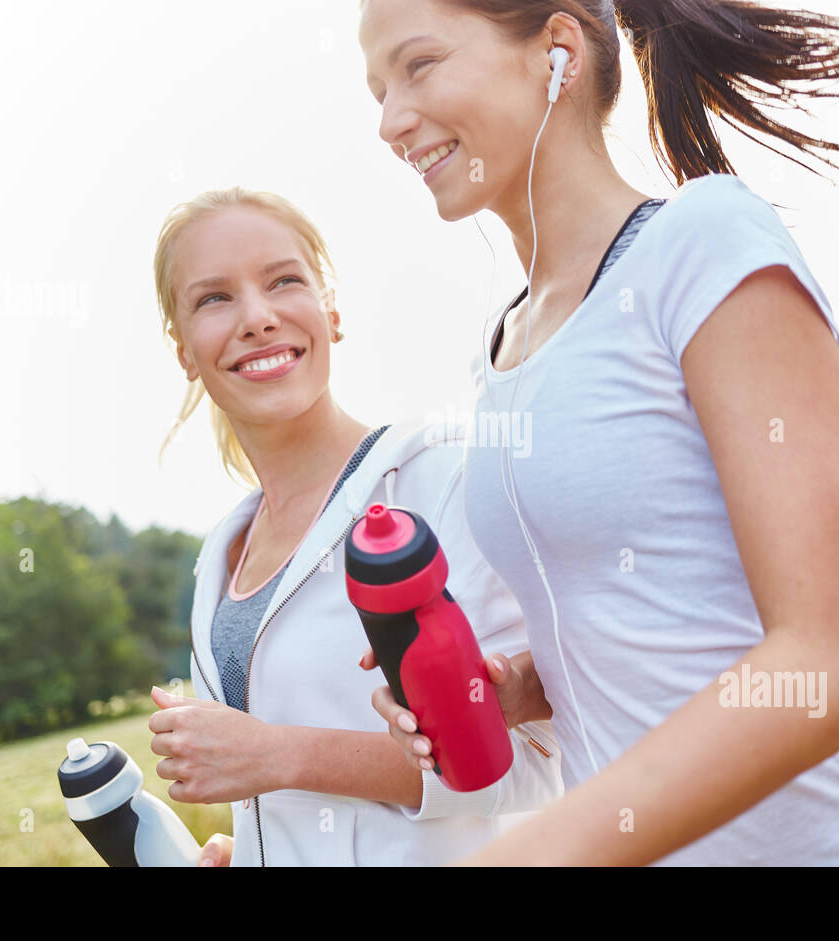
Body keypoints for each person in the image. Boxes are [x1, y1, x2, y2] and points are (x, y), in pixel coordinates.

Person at [358, 0, 839, 865]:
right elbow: (661, 615)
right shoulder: (499, 349)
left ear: (556, 50)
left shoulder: (700, 241)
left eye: (418, 66)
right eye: (377, 89)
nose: (391, 120)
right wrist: (526, 686)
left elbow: (826, 666)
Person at [148, 186, 562, 866]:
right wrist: (257, 845)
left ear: (330, 308)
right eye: (214, 298)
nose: (257, 318)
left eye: (283, 281)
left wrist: (281, 756)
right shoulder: (222, 552)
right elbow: (292, 800)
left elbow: (540, 761)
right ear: (184, 350)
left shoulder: (445, 479)